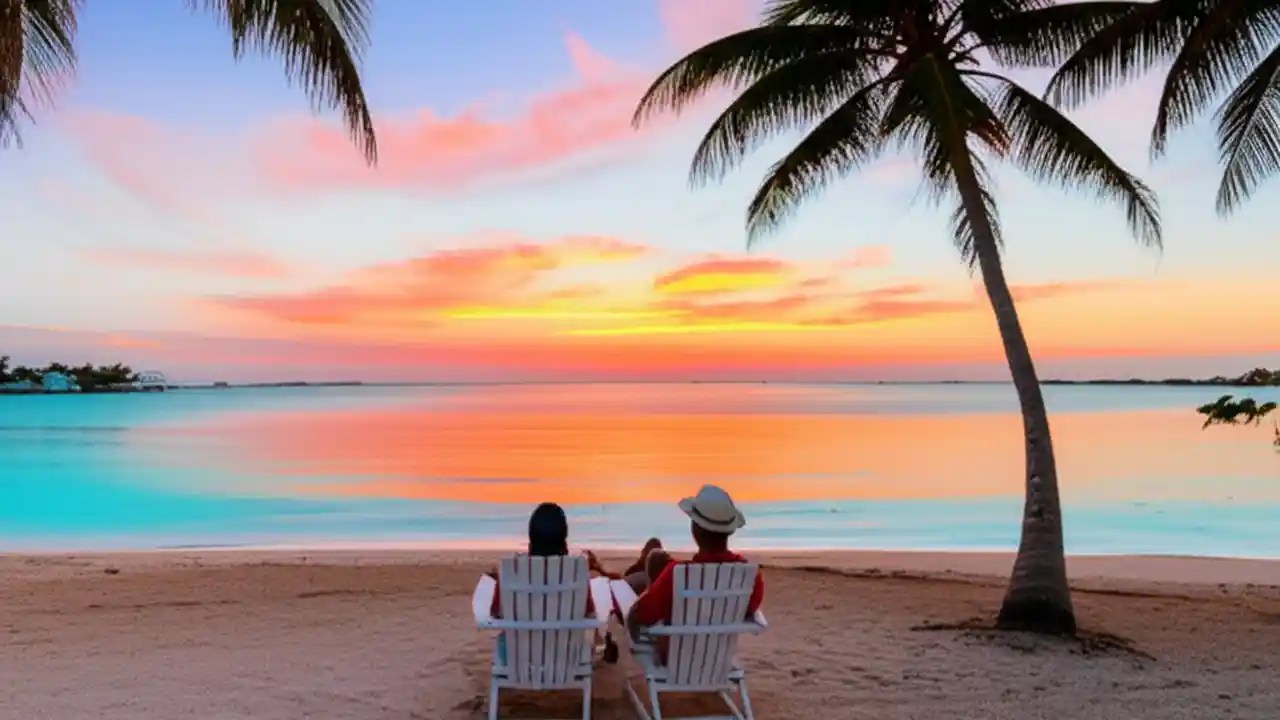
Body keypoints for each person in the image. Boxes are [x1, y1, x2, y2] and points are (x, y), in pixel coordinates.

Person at [626, 485, 764, 649]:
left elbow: (642, 616)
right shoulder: (750, 576)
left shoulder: (678, 574)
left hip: (676, 655)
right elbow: (748, 612)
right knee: (658, 559)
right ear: (729, 531)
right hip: (719, 655)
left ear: (694, 530)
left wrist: (645, 596)